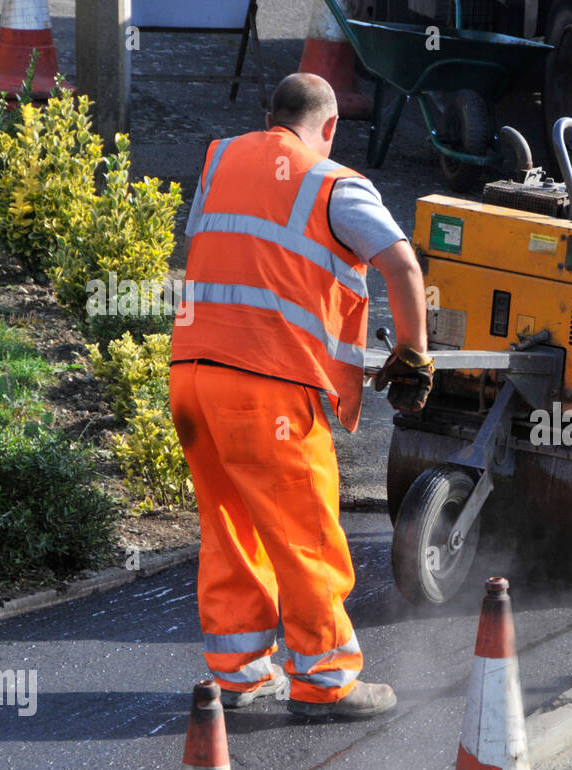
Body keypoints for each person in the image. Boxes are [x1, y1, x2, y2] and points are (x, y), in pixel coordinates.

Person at [169, 73, 433, 720]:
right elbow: (402, 265)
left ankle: (239, 675)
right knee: (305, 532)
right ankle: (326, 679)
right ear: (332, 126)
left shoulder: (221, 158)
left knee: (229, 526)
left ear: (269, 114)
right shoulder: (335, 184)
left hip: (192, 377)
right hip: (267, 389)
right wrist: (414, 354)